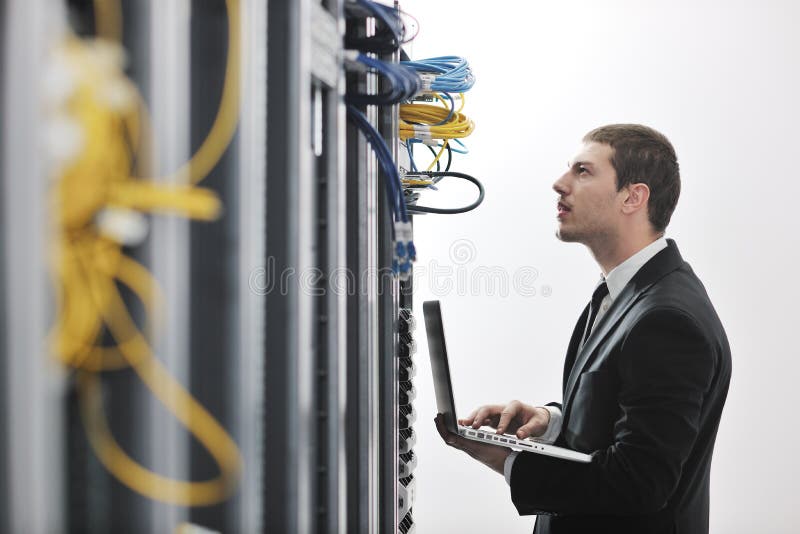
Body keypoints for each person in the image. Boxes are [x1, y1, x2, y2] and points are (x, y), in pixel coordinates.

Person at [434, 124, 732, 534]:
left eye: (583, 171)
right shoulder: (623, 293)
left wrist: (506, 460)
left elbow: (638, 483)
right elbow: (615, 413)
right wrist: (550, 420)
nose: (560, 184)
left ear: (633, 196)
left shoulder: (668, 320)